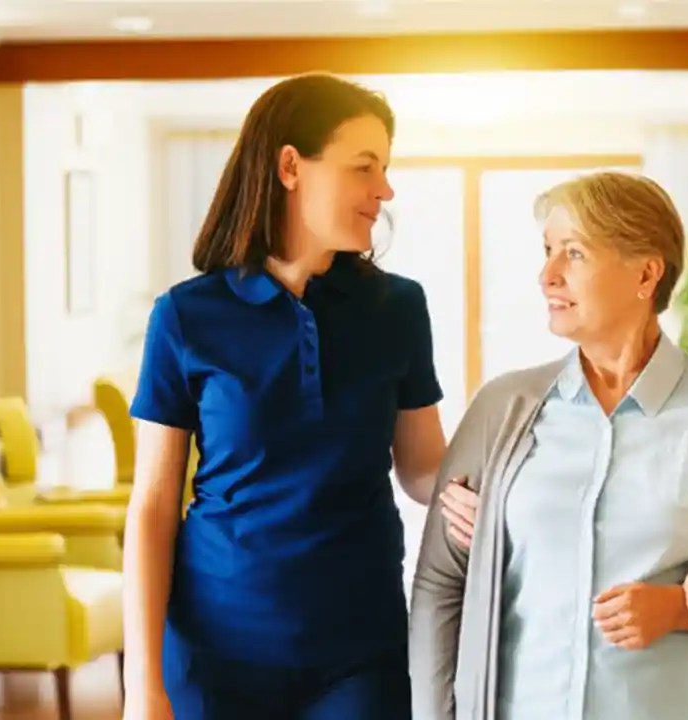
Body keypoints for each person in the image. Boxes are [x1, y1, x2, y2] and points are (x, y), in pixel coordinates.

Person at [410, 171, 688, 720]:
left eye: (573, 254)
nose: (547, 275)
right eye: (547, 252)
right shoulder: (502, 408)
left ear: (646, 273)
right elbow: (440, 584)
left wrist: (680, 608)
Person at [121, 72, 456, 720]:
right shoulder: (187, 317)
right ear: (289, 166)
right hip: (215, 651)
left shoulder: (397, 307)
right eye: (364, 167)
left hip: (360, 648)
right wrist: (143, 684)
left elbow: (422, 466)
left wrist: (493, 482)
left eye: (385, 168)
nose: (384, 190)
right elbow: (154, 505)